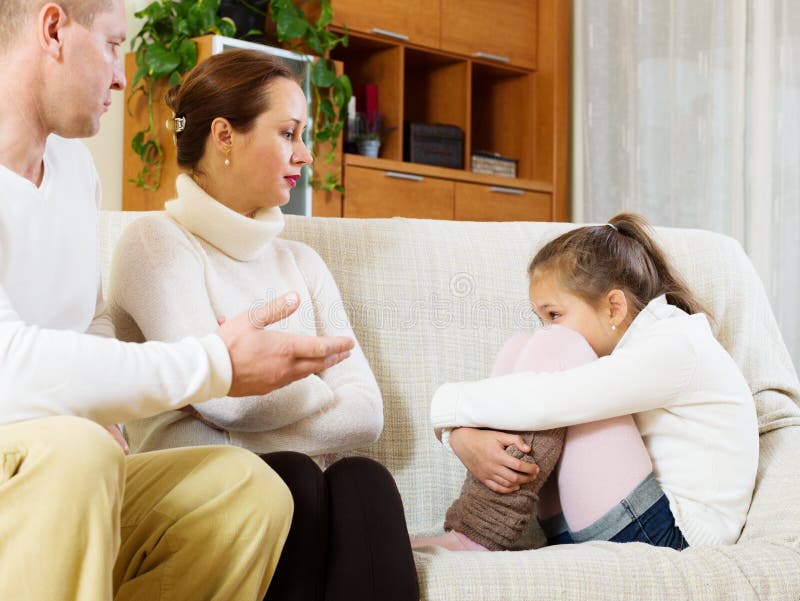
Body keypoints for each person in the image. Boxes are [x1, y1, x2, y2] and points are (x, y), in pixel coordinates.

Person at [0, 2, 356, 600]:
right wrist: (215, 362)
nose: (122, 75)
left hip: (72, 463)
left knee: (248, 491)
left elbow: (86, 320)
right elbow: (8, 362)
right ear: (54, 30)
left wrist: (106, 410)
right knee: (79, 451)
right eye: (114, 45)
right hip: (38, 457)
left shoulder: (74, 169)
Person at [108, 50, 419, 601]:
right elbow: (230, 402)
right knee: (294, 475)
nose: (305, 155)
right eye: (288, 133)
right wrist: (318, 389)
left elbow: (367, 415)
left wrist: (235, 389)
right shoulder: (155, 245)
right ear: (224, 136)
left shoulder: (303, 262)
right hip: (204, 494)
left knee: (363, 480)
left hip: (289, 481)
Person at [420, 213, 759, 551]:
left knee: (557, 349)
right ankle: (476, 531)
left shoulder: (676, 344)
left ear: (614, 307)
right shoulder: (635, 348)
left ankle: (478, 538)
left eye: (554, 315)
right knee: (520, 347)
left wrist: (447, 410)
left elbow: (549, 401)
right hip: (608, 519)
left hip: (674, 539)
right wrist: (461, 435)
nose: (548, 327)